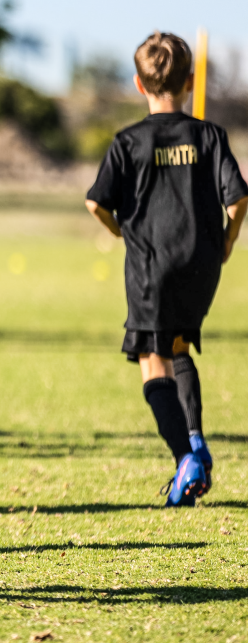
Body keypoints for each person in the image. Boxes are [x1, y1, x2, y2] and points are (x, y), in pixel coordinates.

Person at [86, 31, 248, 507]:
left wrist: (119, 231)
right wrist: (228, 239)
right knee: (178, 347)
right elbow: (238, 198)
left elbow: (95, 202)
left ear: (138, 84)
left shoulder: (129, 141)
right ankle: (195, 439)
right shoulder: (208, 135)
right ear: (190, 80)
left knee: (149, 359)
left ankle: (186, 459)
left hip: (151, 266)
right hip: (202, 264)